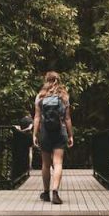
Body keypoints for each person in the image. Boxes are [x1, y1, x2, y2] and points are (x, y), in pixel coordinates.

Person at [31, 71, 73, 204]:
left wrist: (34, 134)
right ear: (58, 80)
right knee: (58, 162)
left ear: (46, 80)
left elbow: (37, 117)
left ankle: (46, 192)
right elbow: (67, 118)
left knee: (45, 164)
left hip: (45, 131)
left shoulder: (40, 96)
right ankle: (55, 191)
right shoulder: (64, 96)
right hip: (60, 131)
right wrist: (70, 135)